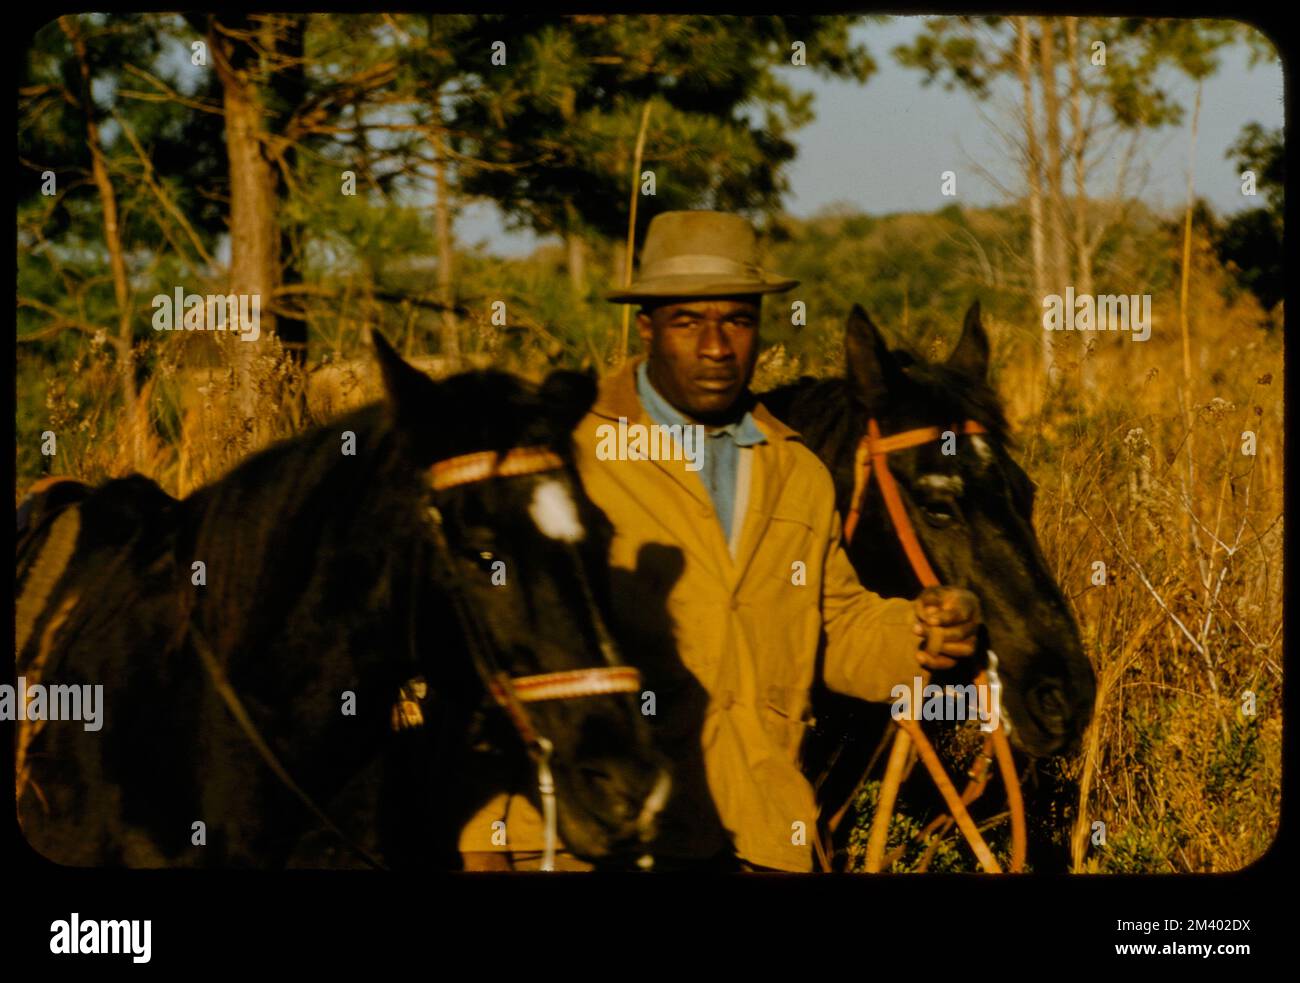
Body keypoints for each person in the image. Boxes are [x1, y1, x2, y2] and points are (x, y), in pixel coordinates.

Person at [459, 210, 980, 872]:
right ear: (645, 326)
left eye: (736, 319)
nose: (716, 345)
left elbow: (836, 625)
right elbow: (483, 638)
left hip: (753, 834)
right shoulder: (565, 454)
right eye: (687, 321)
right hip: (587, 841)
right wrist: (487, 839)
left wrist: (922, 632)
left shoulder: (797, 472)